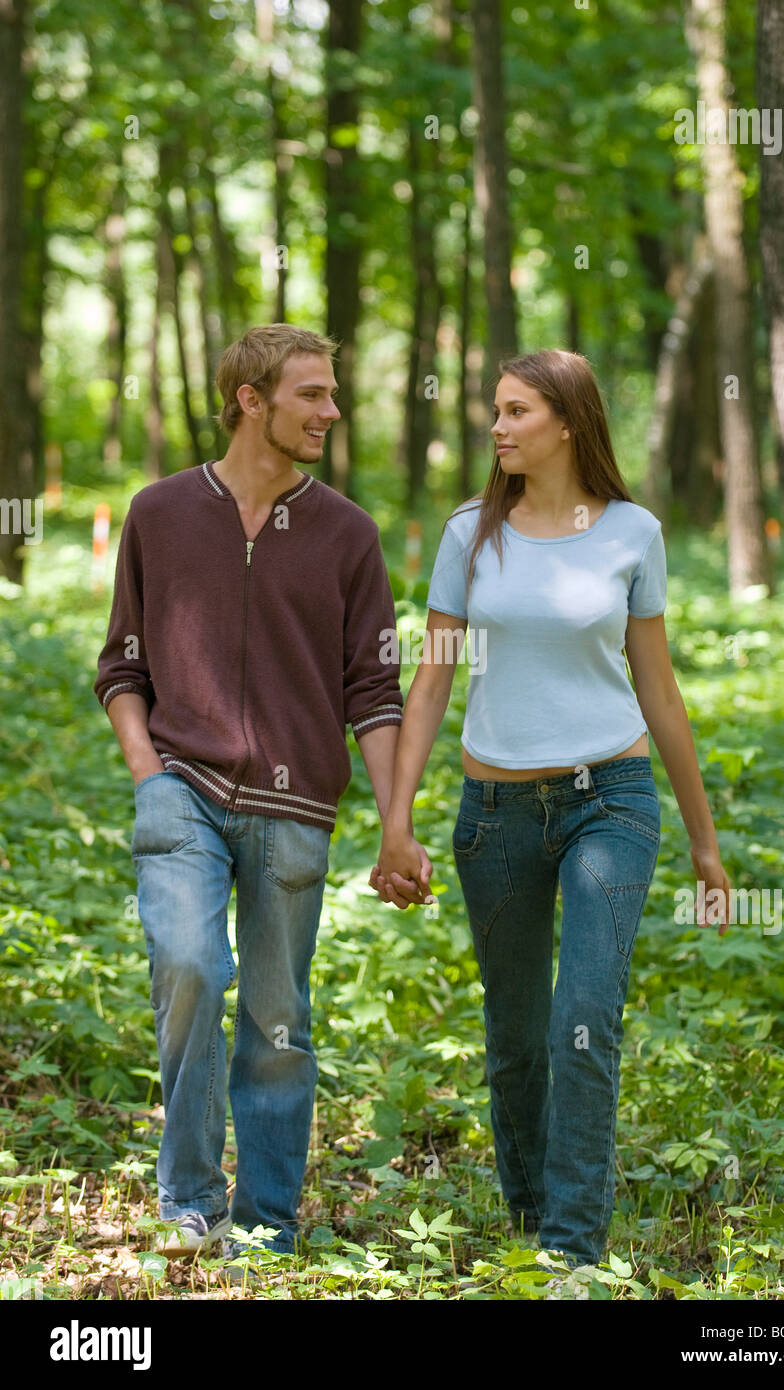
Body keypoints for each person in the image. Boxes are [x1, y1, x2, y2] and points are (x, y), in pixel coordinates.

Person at [371, 348, 731, 1271]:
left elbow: (659, 690)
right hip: (494, 814)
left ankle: (574, 1251)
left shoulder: (633, 533)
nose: (497, 427)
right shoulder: (468, 534)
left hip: (609, 798)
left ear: (567, 422)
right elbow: (431, 682)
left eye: (516, 410)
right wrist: (396, 818)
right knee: (517, 1035)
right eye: (495, 410)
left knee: (584, 1015)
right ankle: (531, 1218)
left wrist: (705, 843)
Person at [94, 323, 425, 1260]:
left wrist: (394, 822)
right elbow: (122, 664)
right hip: (182, 792)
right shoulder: (159, 513)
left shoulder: (348, 534)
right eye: (311, 394)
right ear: (251, 399)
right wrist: (150, 780)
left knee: (278, 1018)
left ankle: (269, 1221)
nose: (331, 411)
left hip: (295, 811)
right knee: (193, 968)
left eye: (331, 393)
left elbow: (374, 692)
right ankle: (191, 1200)